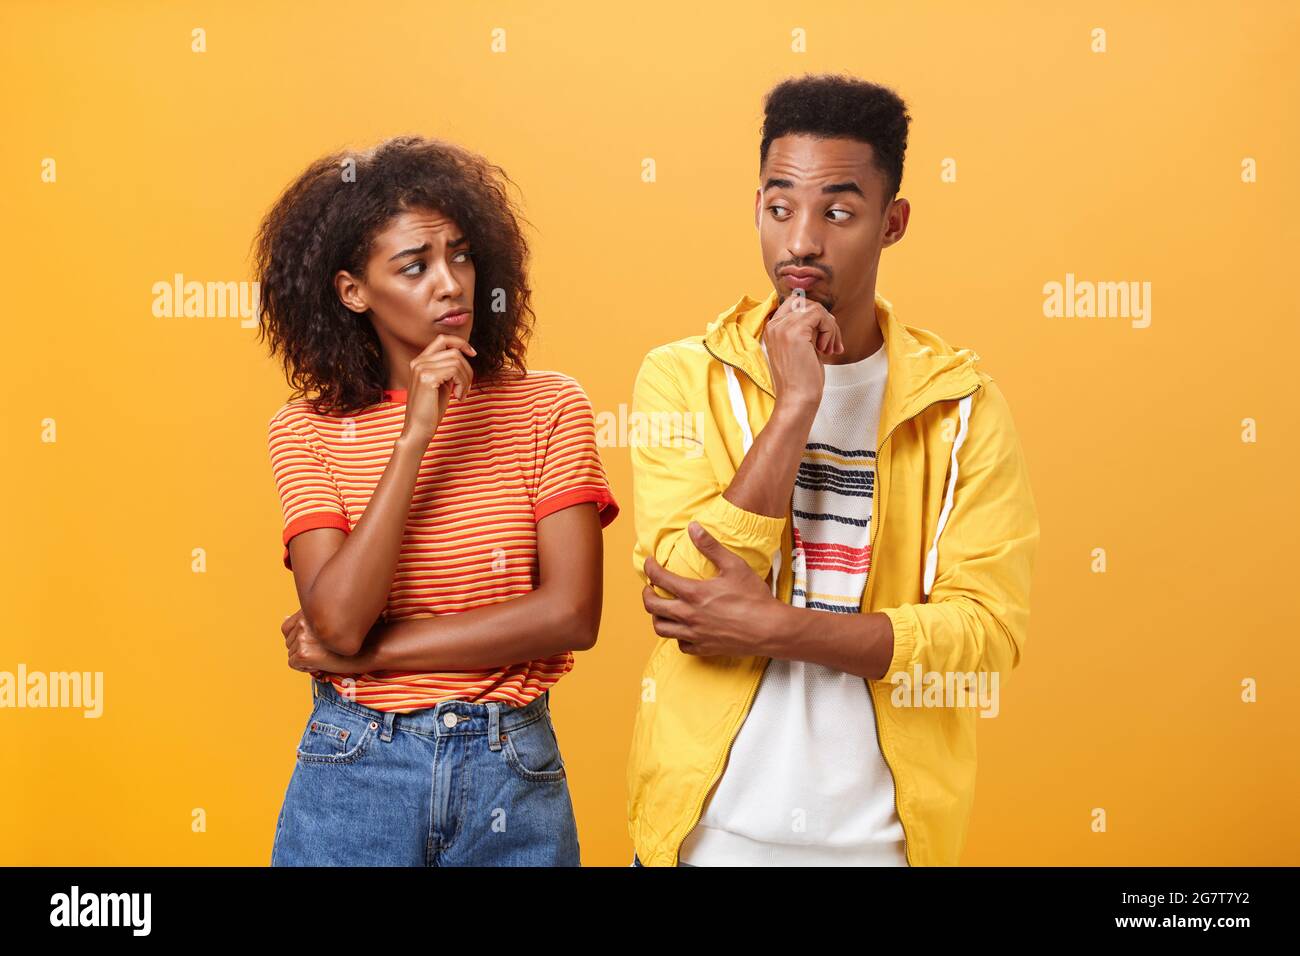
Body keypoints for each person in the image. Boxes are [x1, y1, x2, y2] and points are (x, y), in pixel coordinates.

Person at [626, 74, 1040, 866]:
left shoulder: (962, 405)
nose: (802, 241)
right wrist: (793, 409)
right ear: (757, 208)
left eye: (838, 212)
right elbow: (680, 586)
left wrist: (778, 629)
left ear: (893, 223)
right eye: (780, 208)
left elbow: (985, 635)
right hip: (703, 839)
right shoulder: (684, 376)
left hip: (881, 846)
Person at [254, 135, 618, 866]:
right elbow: (339, 618)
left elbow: (571, 615)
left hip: (510, 769)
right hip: (357, 768)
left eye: (460, 256)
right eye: (415, 267)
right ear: (352, 290)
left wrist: (367, 657)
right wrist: (416, 434)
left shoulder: (548, 407)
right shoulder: (307, 431)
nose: (450, 284)